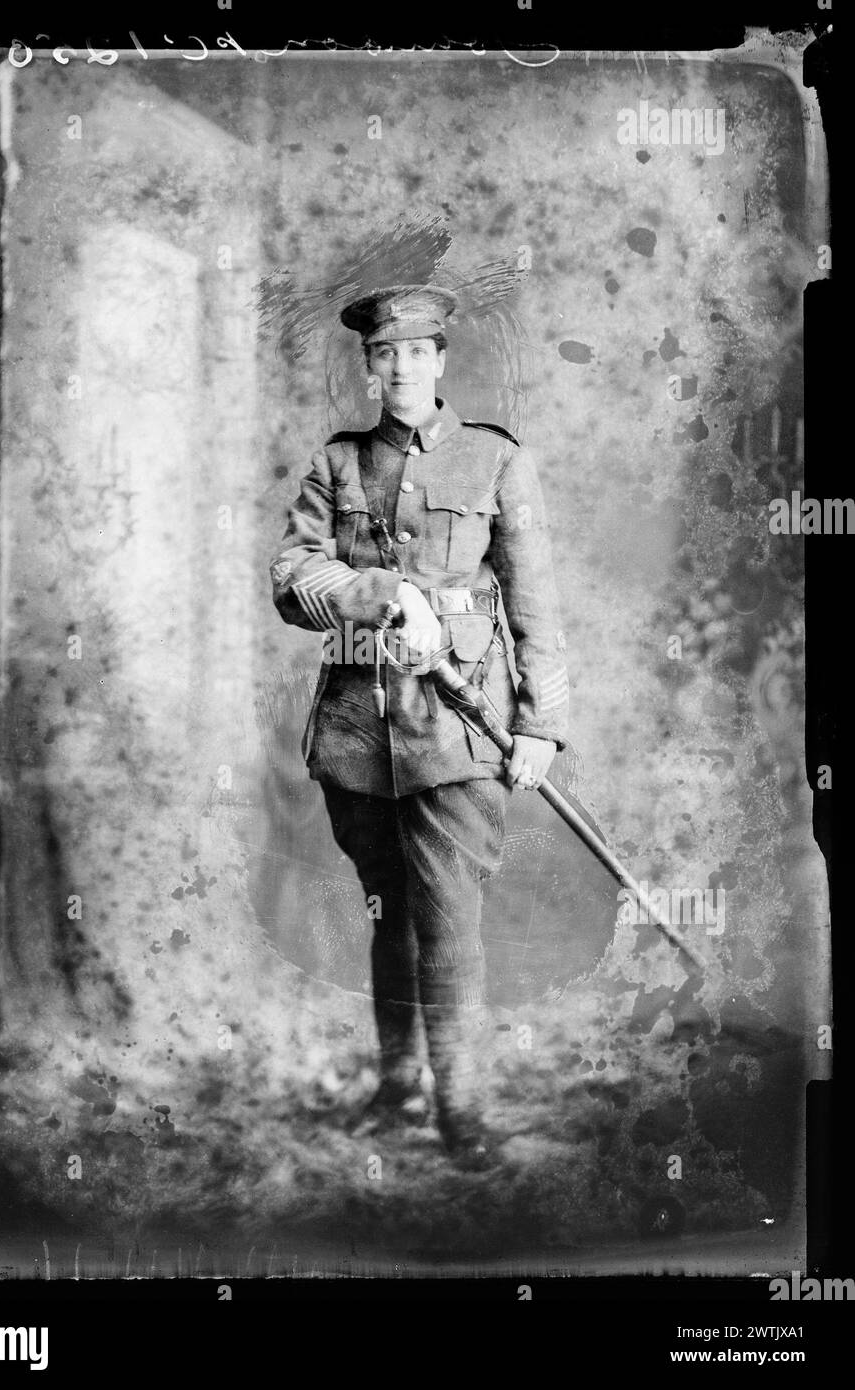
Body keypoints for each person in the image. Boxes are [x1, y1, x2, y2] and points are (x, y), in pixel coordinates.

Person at [269, 285, 570, 1165]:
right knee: (386, 911)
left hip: (459, 725)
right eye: (385, 356)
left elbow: (537, 607)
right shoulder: (337, 464)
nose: (401, 368)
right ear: (370, 370)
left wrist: (542, 728)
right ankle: (399, 1089)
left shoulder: (496, 461)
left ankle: (463, 1113)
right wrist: (384, 592)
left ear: (442, 361)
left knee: (449, 922)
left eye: (417, 353)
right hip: (359, 731)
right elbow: (292, 578)